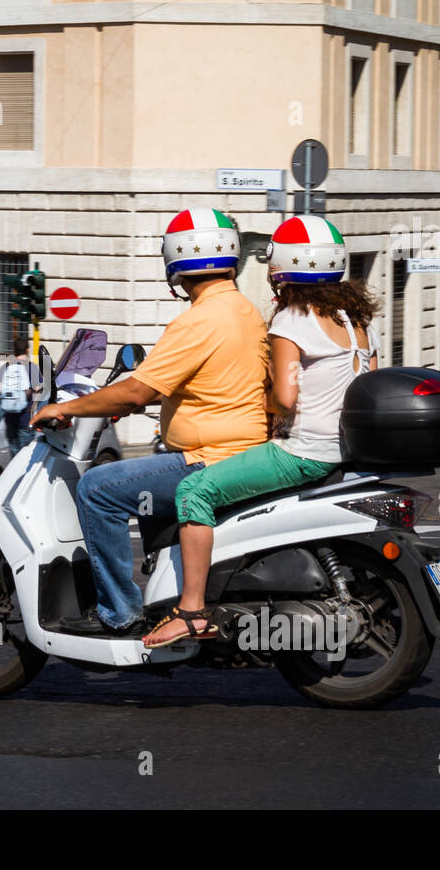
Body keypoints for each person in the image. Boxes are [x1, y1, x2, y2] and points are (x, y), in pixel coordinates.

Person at [142, 215, 380, 647]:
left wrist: (263, 396)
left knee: (194, 491)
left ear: (280, 267)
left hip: (302, 452)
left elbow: (286, 399)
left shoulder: (292, 318)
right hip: (344, 451)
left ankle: (192, 610)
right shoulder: (355, 321)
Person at [30, 208, 269, 636]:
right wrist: (142, 400)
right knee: (138, 484)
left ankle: (119, 613)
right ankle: (164, 593)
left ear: (176, 263)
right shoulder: (245, 311)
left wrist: (65, 408)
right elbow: (180, 383)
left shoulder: (198, 320)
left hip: (206, 457)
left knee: (98, 489)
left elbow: (138, 388)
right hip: (243, 451)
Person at [0, 345, 34, 456]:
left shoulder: (5, 367)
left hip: (10, 420)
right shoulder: (31, 367)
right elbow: (40, 389)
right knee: (26, 458)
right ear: (27, 350)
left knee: (14, 457)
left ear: (14, 352)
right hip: (26, 419)